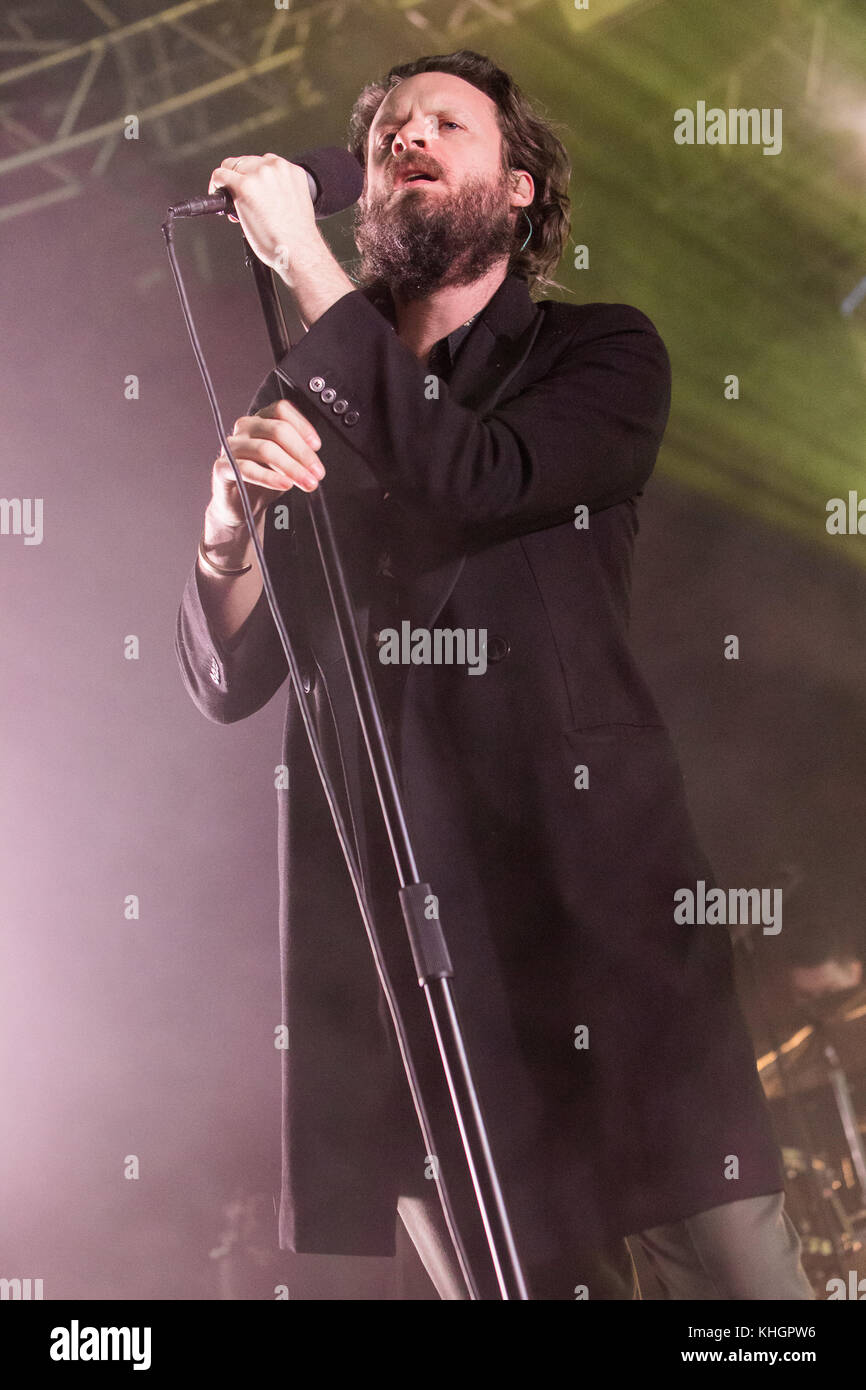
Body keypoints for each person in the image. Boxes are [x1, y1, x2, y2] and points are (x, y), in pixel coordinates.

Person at [175, 49, 813, 1299]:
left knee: (738, 1300)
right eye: (386, 130)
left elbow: (474, 477)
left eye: (444, 124)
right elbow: (236, 676)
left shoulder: (599, 355)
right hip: (412, 944)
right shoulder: (312, 397)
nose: (406, 136)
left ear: (517, 189)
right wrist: (219, 538)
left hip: (594, 909)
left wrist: (304, 264)